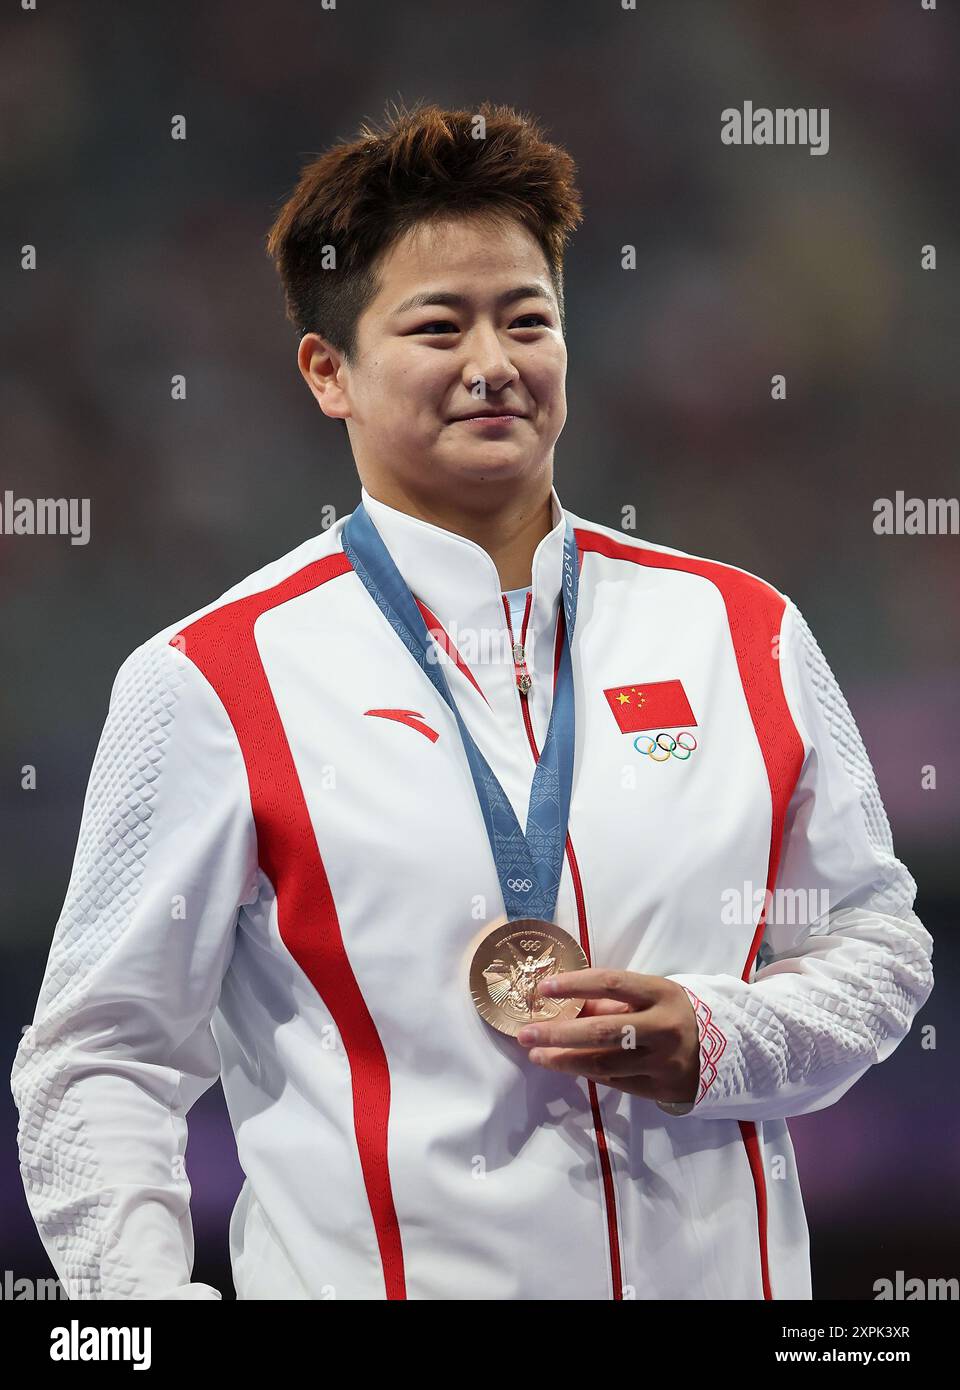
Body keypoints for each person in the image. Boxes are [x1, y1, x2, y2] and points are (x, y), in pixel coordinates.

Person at [11, 99, 933, 1301]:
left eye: (529, 320)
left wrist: (720, 1038)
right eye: (440, 326)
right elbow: (98, 1059)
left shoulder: (738, 628)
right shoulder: (209, 679)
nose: (495, 364)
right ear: (327, 370)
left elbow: (876, 941)